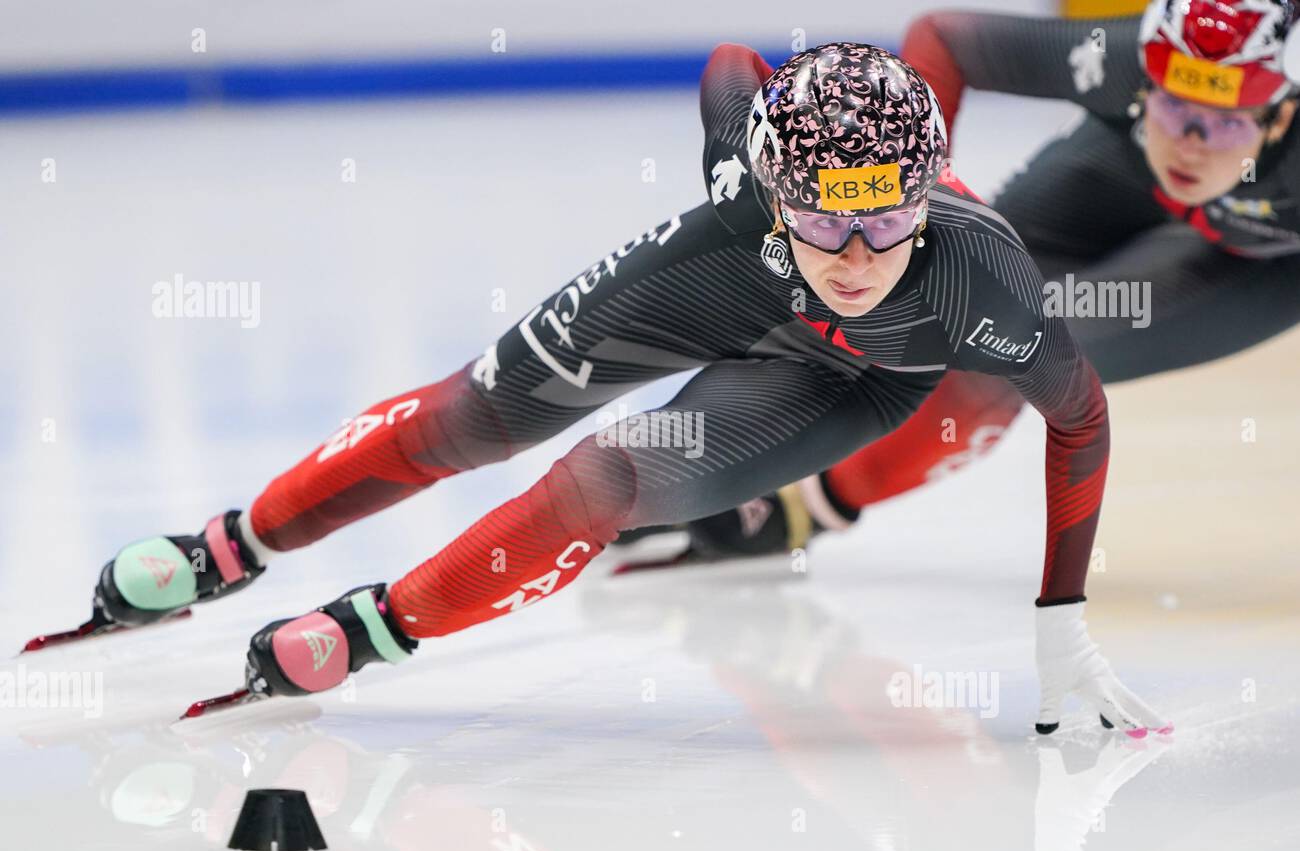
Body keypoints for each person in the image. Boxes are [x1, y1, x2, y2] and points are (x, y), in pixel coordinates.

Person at [84, 42, 1167, 735]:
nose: (854, 250)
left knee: (600, 479)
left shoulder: (984, 279)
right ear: (772, 180)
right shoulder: (745, 191)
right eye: (824, 214)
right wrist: (731, 180)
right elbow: (731, 63)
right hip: (717, 282)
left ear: (924, 195)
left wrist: (1060, 615)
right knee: (476, 415)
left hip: (843, 378)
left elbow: (1081, 417)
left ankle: (370, 628)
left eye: (885, 217)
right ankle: (234, 541)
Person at [650, 0, 1300, 575]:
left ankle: (808, 505)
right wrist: (911, 200)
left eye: (1224, 124)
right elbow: (946, 36)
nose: (1190, 141)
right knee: (952, 287)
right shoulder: (1129, 59)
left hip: (1268, 262)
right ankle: (705, 448)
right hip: (1122, 170)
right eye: (1172, 105)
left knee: (1022, 343)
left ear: (1281, 117)